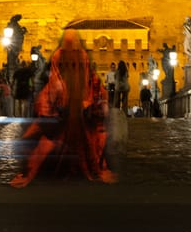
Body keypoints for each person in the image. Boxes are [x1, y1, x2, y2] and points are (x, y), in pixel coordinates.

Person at [10, 29, 116, 188]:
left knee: (68, 137)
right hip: (71, 103)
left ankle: (62, 169)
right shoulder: (71, 55)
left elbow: (79, 77)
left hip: (74, 103)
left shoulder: (72, 55)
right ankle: (71, 168)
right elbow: (61, 77)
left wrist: (86, 96)